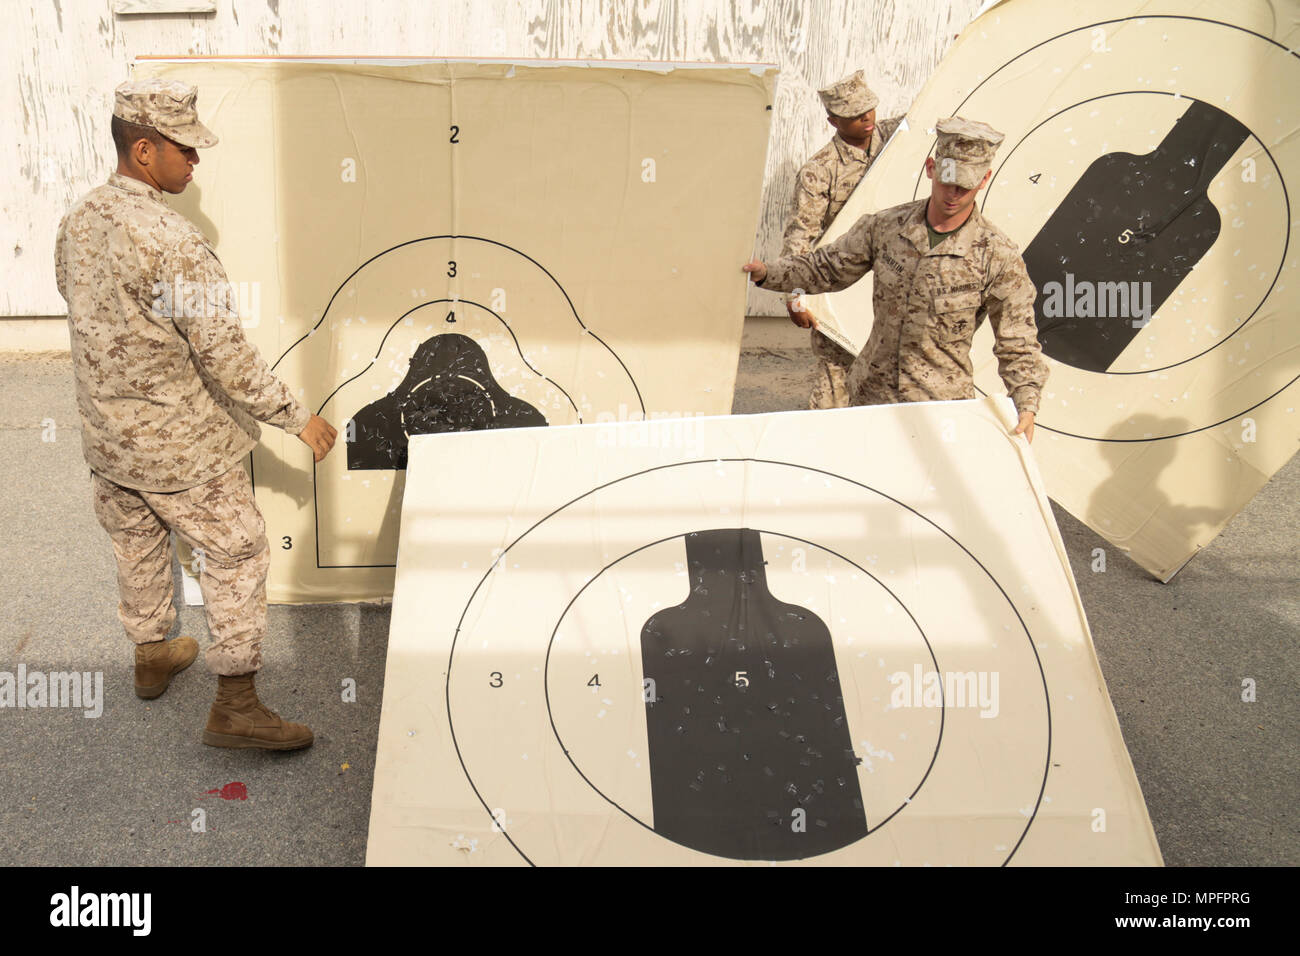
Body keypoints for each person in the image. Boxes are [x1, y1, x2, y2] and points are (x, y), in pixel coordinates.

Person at [54, 77, 337, 750]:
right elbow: (224, 353)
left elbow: (77, 302)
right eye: (185, 149)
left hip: (110, 444)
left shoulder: (78, 220)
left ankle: (152, 656)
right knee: (237, 553)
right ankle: (237, 705)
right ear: (144, 150)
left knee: (139, 542)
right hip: (184, 452)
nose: (196, 161)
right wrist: (297, 417)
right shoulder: (171, 241)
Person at [745, 117, 1048, 441]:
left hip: (939, 411)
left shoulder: (996, 255)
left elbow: (1017, 340)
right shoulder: (887, 227)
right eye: (948, 180)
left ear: (985, 179)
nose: (954, 194)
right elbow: (826, 268)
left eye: (965, 185)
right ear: (931, 168)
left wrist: (1026, 402)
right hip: (871, 399)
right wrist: (767, 273)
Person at [782, 70, 903, 410]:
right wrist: (795, 294)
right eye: (854, 115)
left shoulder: (896, 138)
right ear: (833, 120)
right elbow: (801, 232)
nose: (866, 119)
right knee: (835, 382)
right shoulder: (819, 170)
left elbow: (940, 108)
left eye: (869, 110)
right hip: (843, 284)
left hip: (894, 276)